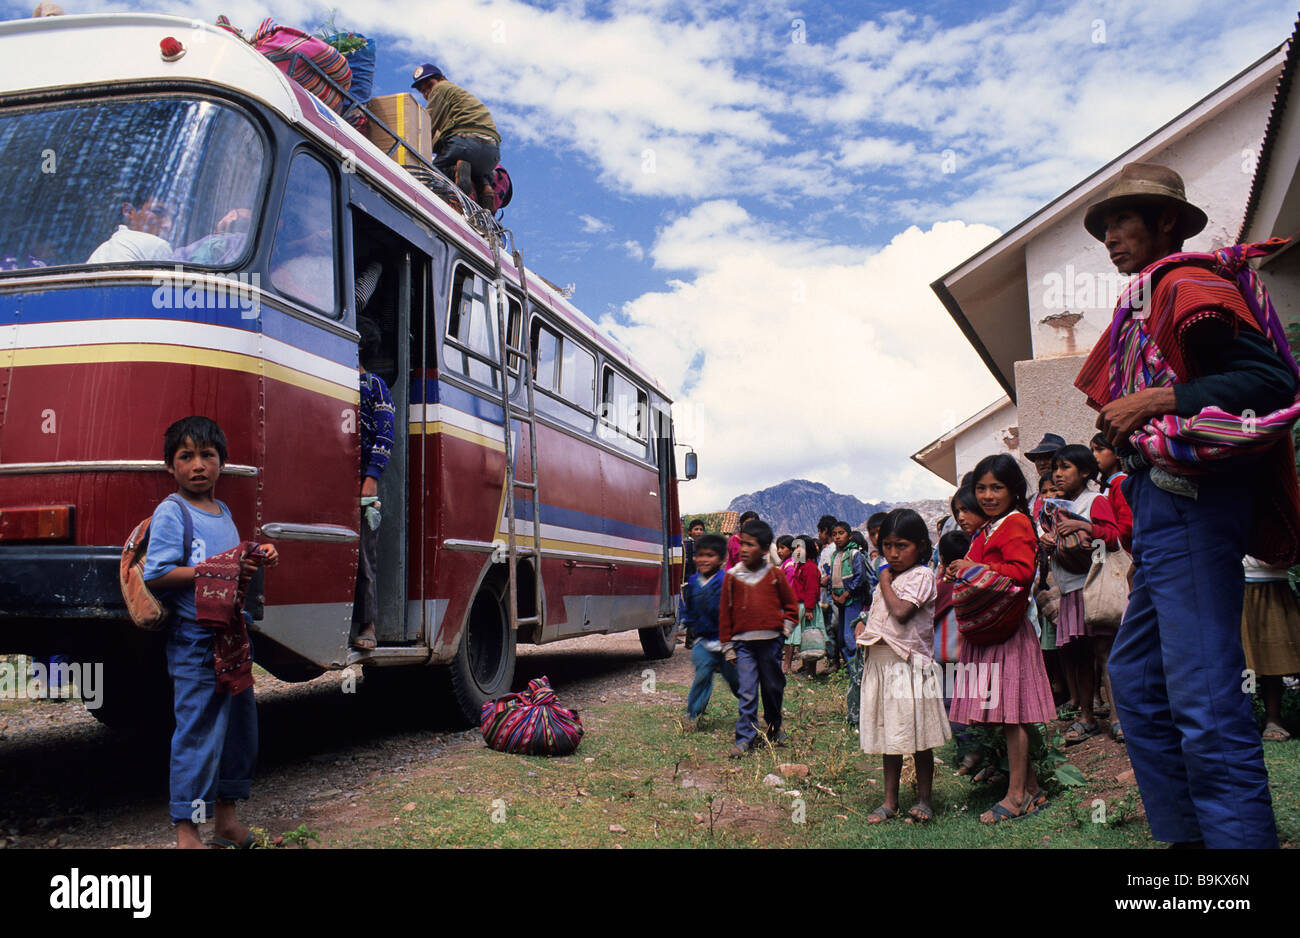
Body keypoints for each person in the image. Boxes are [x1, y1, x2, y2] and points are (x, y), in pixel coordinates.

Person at [1074, 161, 1300, 848]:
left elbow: (1270, 382)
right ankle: (1190, 844)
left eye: (1121, 221)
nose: (1109, 236)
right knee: (1137, 683)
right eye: (1104, 226)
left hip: (1194, 504)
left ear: (1166, 222)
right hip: (1162, 508)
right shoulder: (1144, 302)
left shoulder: (1187, 283)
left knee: (1205, 700)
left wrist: (1159, 399)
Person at [143, 416, 278, 849]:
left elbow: (234, 568)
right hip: (194, 642)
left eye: (207, 456)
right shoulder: (172, 512)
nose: (197, 465)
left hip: (232, 640)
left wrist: (255, 555)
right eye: (186, 457)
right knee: (198, 734)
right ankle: (188, 833)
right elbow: (158, 573)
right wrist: (212, 569)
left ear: (222, 463)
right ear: (170, 467)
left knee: (239, 731)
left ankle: (226, 822)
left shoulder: (224, 514)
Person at [946, 453, 1054, 822]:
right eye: (982, 488)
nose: (988, 495)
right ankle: (1033, 790)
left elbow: (1022, 573)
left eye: (997, 487)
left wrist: (976, 568)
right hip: (991, 631)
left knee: (1013, 716)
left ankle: (1016, 797)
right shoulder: (988, 528)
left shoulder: (1016, 523)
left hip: (1006, 630)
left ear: (1015, 490)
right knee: (1007, 714)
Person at [856, 509, 950, 822]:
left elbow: (901, 613)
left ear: (921, 545)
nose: (893, 554)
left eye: (902, 546)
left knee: (919, 738)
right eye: (887, 547)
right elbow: (880, 614)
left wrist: (883, 577)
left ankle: (924, 800)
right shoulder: (891, 577)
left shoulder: (921, 576)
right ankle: (889, 801)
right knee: (890, 736)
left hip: (909, 666)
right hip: (883, 663)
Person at [1041, 444, 1121, 745]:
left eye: (1065, 468)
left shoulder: (1095, 501)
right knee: (1079, 656)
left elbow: (1113, 538)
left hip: (1095, 586)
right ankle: (1087, 716)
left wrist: (1082, 525)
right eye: (1056, 469)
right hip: (1070, 589)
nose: (1058, 475)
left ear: (1086, 471)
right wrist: (1049, 541)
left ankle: (1117, 716)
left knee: (1104, 652)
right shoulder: (1055, 506)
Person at [720, 519, 797, 757]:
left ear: (764, 549)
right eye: (742, 544)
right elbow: (724, 614)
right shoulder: (732, 577)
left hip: (771, 644)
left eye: (750, 545)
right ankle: (745, 737)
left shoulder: (775, 576)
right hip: (744, 646)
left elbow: (791, 607)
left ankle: (774, 726)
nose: (743, 549)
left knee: (773, 688)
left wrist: (783, 631)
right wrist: (728, 647)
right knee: (747, 690)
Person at [351, 318, 394, 651]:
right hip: (332, 480)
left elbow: (384, 435)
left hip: (362, 484)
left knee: (364, 557)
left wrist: (371, 479)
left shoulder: (375, 386)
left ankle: (368, 623)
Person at [411, 64, 500, 211]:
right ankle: (485, 187)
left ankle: (454, 172)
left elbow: (427, 125)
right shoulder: (461, 97)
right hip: (491, 155)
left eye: (429, 85)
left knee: (430, 174)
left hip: (466, 144)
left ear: (442, 79)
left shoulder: (441, 89)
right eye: (423, 91)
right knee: (471, 170)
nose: (427, 92)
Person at [679, 534, 739, 731]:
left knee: (736, 680)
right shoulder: (693, 581)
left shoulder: (727, 581)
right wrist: (688, 622)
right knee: (702, 675)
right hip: (704, 641)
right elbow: (689, 606)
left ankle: (748, 708)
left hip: (727, 643)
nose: (703, 560)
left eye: (710, 555)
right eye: (700, 555)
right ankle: (693, 713)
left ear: (721, 559)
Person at [1240, 555, 1300, 742]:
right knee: (1245, 661)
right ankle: (1244, 715)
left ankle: (1273, 718)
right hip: (1240, 580)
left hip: (1276, 581)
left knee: (1274, 657)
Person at [829, 521, 870, 726]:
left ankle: (859, 676)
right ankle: (852, 674)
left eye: (841, 533)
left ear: (849, 536)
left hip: (852, 600)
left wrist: (846, 593)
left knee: (850, 637)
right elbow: (833, 578)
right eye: (834, 534)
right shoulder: (835, 555)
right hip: (840, 600)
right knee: (842, 640)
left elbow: (860, 578)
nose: (837, 537)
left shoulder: (855, 555)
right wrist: (834, 594)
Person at [86, 192, 173, 264]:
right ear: (129, 211)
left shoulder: (101, 251)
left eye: (173, 218)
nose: (168, 224)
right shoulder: (157, 245)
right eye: (158, 212)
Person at [781, 535, 820, 674]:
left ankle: (806, 669)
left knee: (807, 637)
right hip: (799, 604)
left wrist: (809, 609)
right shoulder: (800, 566)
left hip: (805, 606)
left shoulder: (809, 568)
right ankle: (795, 667)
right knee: (799, 636)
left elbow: (811, 590)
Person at [816, 515, 840, 671]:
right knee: (830, 628)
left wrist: (827, 579)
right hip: (826, 596)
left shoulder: (832, 551)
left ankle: (834, 662)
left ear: (825, 531)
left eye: (819, 531)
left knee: (831, 628)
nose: (819, 535)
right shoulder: (830, 550)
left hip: (831, 595)